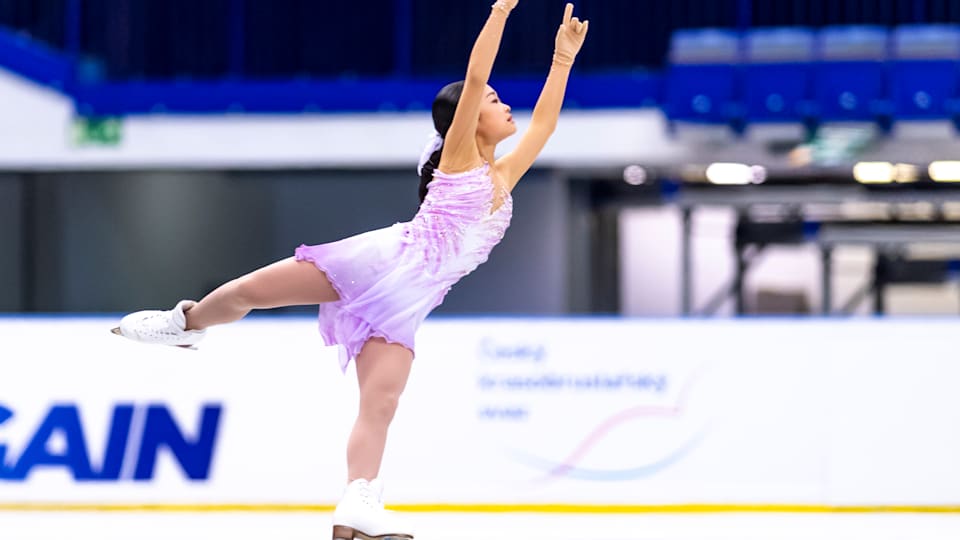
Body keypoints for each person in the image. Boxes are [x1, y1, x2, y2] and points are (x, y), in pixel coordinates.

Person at [113, 1, 588, 538]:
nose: (505, 107)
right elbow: (476, 76)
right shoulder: (460, 159)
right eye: (494, 102)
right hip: (379, 263)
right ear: (467, 119)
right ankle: (185, 324)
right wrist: (500, 12)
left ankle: (357, 504)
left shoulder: (504, 176)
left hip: (410, 300)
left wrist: (562, 57)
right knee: (251, 292)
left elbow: (545, 122)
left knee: (381, 403)